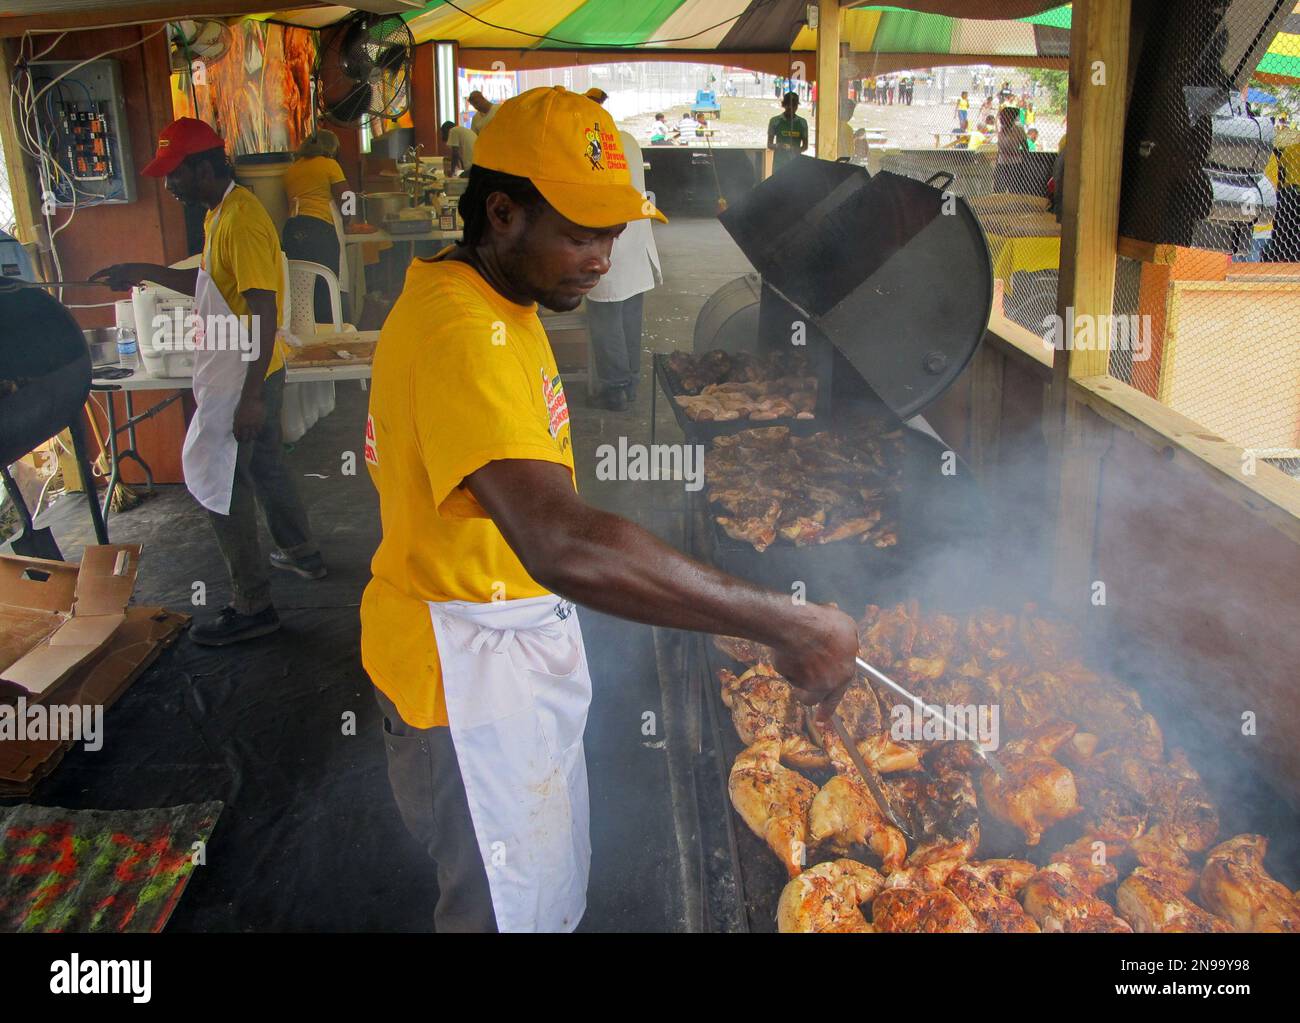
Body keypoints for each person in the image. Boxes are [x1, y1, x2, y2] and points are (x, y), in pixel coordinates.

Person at [360, 86, 857, 932]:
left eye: (615, 232)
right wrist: (787, 622)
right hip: (460, 685)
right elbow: (560, 539)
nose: (603, 256)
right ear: (503, 213)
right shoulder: (458, 331)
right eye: (583, 232)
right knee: (492, 912)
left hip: (494, 655)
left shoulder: (497, 301)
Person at [91, 118, 324, 646]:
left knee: (220, 484)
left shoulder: (240, 219)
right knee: (265, 467)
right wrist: (142, 270)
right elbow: (208, 283)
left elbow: (261, 308)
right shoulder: (220, 212)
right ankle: (302, 554)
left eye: (174, 174)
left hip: (246, 373)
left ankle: (253, 604)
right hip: (251, 369)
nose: (168, 186)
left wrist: (251, 399)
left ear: (201, 167)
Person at [583, 89, 661, 411]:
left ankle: (615, 388)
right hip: (635, 237)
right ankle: (630, 381)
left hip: (609, 236)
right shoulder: (627, 137)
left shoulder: (592, 143)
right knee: (629, 309)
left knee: (605, 313)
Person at [280, 129, 351, 323]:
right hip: (319, 229)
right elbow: (346, 197)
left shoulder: (292, 169)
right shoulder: (329, 164)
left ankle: (305, 328)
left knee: (301, 285)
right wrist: (350, 220)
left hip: (293, 229)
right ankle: (330, 328)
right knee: (326, 284)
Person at [767, 91, 809, 172]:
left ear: (797, 106)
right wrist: (779, 146)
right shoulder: (775, 121)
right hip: (779, 164)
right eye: (788, 105)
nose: (791, 108)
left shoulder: (802, 123)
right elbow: (769, 144)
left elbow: (805, 146)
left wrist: (797, 149)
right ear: (784, 105)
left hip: (796, 164)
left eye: (794, 105)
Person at [994, 105, 1030, 192]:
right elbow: (999, 148)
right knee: (998, 189)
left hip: (1014, 163)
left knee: (1013, 189)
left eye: (1003, 116)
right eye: (1000, 117)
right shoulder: (1000, 129)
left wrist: (1025, 163)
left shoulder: (1018, 129)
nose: (1000, 119)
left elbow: (1025, 147)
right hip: (1001, 162)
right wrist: (996, 164)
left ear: (1010, 117)